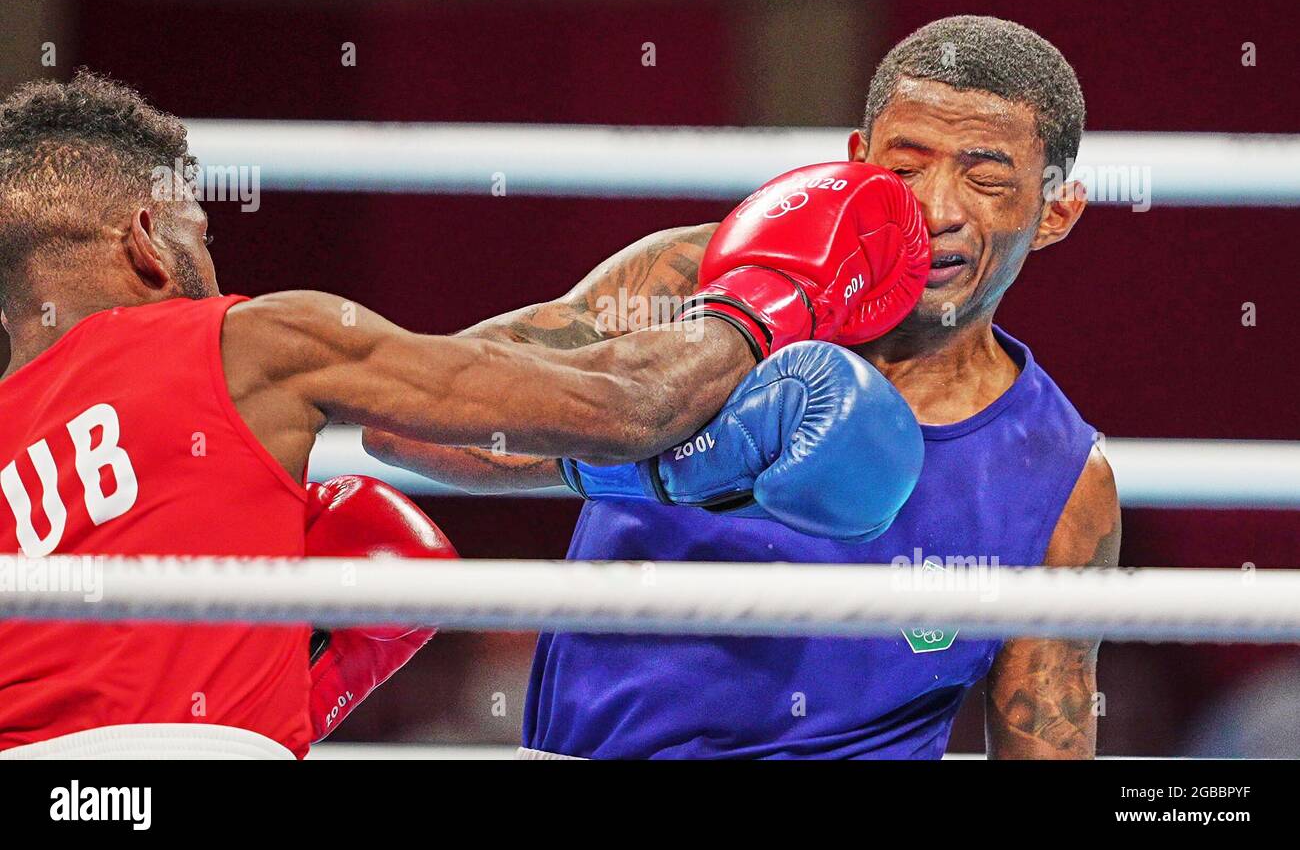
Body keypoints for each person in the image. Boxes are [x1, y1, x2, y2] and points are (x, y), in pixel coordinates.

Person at [0, 71, 926, 758]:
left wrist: (302, 692)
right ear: (149, 243)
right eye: (202, 228)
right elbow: (625, 400)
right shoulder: (252, 341)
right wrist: (766, 298)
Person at [365, 15, 1123, 759]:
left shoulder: (1057, 477)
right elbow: (405, 419)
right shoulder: (699, 286)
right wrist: (653, 443)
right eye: (904, 167)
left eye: (986, 178)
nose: (936, 209)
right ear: (858, 160)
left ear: (1056, 209)